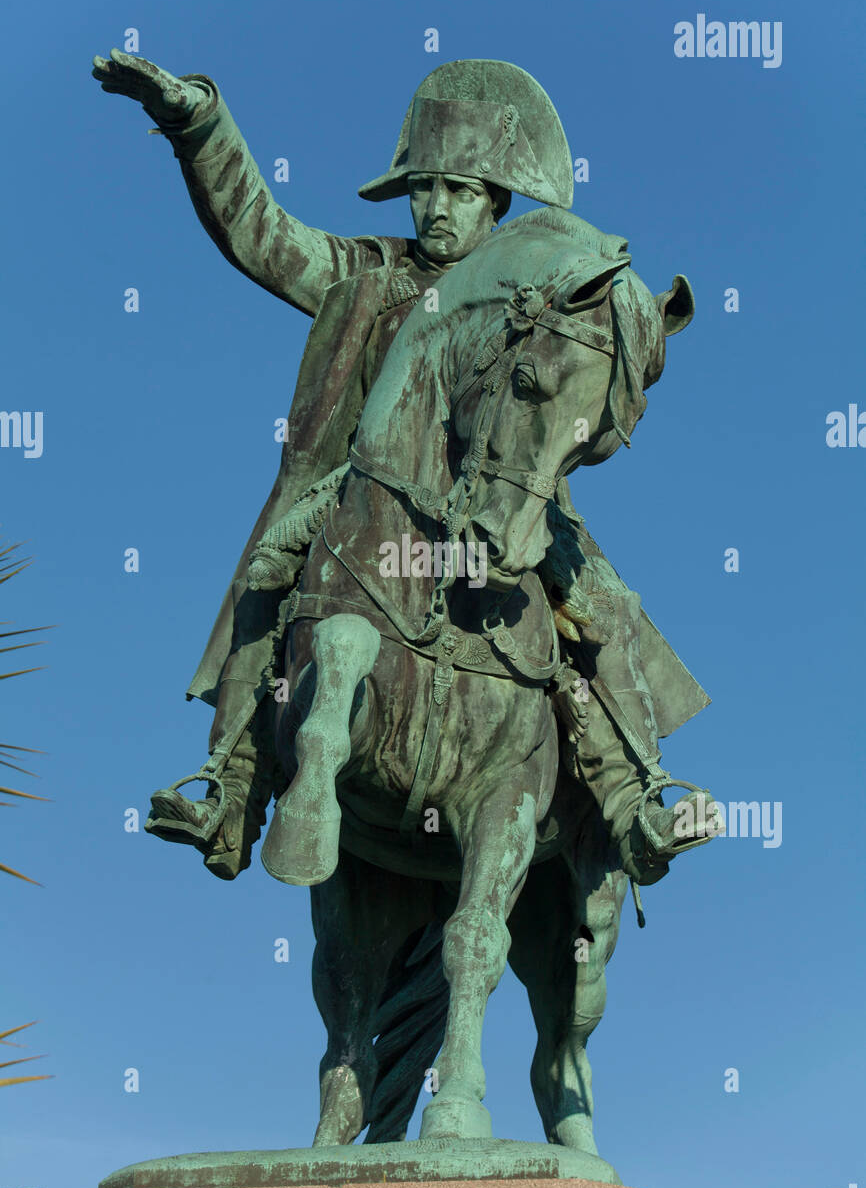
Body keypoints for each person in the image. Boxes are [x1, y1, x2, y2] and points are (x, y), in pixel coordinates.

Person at [92, 51, 721, 886]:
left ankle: (638, 800)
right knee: (273, 562)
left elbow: (605, 339)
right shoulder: (371, 274)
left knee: (597, 608)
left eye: (459, 190)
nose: (435, 207)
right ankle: (233, 785)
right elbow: (261, 234)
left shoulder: (535, 297)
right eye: (423, 187)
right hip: (370, 500)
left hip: (503, 515)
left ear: (495, 203)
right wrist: (194, 119)